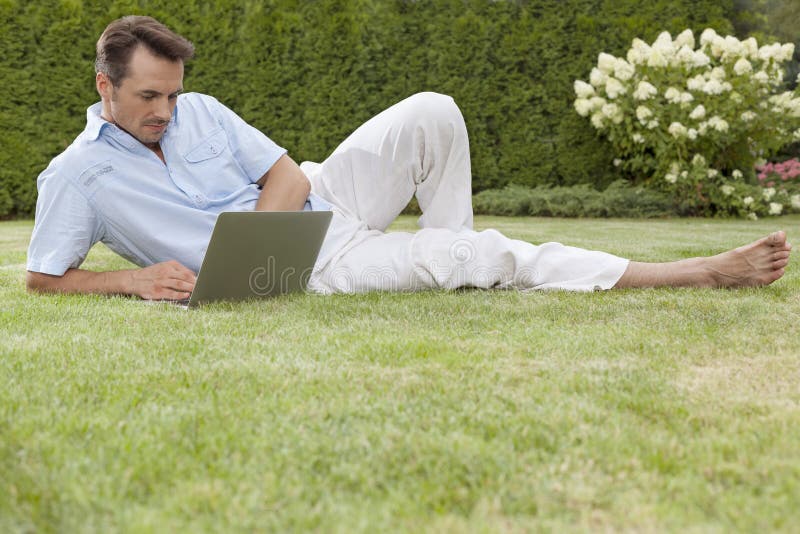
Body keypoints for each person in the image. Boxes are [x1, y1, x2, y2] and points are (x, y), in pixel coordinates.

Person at [25, 16, 792, 299]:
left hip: (321, 197)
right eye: (149, 97)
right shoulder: (77, 176)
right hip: (311, 268)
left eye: (172, 94)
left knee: (433, 111)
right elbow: (43, 277)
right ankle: (694, 271)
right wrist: (130, 278)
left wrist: (260, 236)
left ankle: (456, 257)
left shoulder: (200, 111)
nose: (166, 111)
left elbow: (284, 174)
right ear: (105, 86)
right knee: (471, 254)